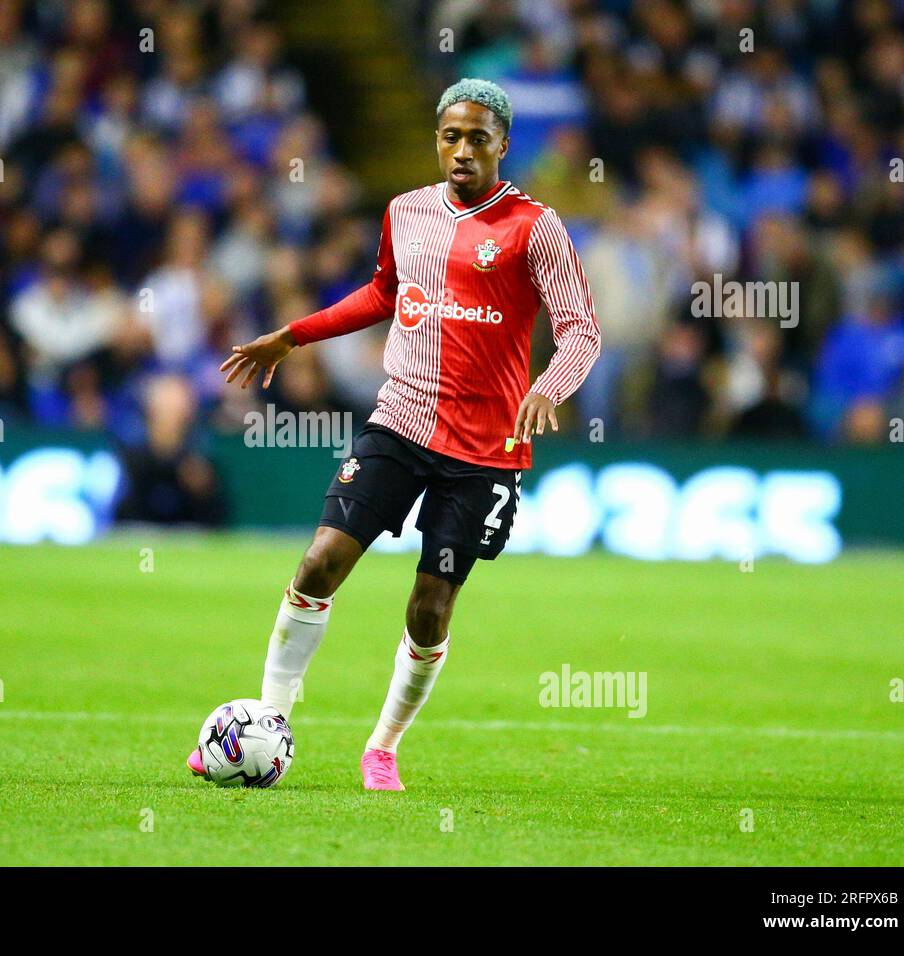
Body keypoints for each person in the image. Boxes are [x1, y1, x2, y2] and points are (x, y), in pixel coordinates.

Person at [187, 78, 601, 790]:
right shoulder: (406, 212)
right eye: (450, 136)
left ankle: (382, 746)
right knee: (320, 561)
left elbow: (581, 330)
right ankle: (270, 720)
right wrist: (293, 335)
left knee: (430, 606)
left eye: (477, 138)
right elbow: (382, 293)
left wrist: (547, 387)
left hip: (484, 449)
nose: (462, 150)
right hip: (401, 420)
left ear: (503, 144)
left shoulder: (537, 226)